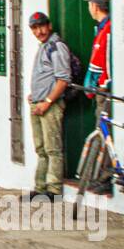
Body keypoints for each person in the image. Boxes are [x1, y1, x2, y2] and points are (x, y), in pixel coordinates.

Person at [26, 12, 71, 200]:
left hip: (49, 106)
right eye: (35, 28)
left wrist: (48, 101)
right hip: (38, 103)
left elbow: (63, 80)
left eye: (41, 26)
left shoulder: (56, 47)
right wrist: (35, 96)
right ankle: (40, 187)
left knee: (53, 148)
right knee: (41, 148)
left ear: (49, 25)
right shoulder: (43, 47)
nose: (39, 31)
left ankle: (53, 189)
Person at [83, 0, 113, 192]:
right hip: (102, 88)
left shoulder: (107, 29)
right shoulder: (103, 28)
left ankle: (104, 178)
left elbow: (104, 61)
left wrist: (98, 85)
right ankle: (100, 176)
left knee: (105, 133)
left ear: (95, 6)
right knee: (103, 131)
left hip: (105, 89)